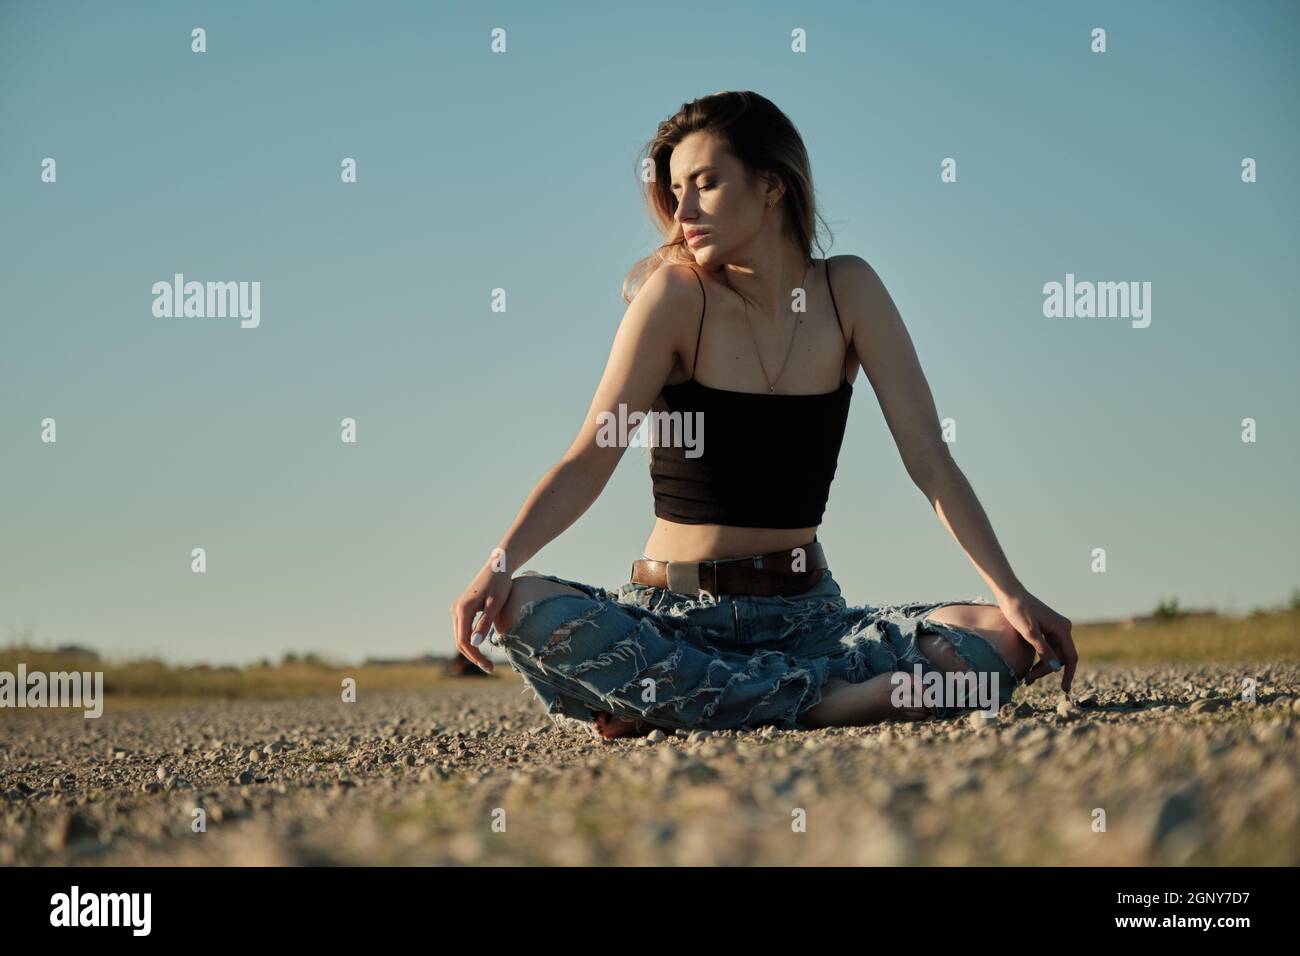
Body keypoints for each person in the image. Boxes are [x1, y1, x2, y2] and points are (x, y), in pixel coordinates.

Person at [450, 91, 1076, 739]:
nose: (683, 211)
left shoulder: (849, 290)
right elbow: (588, 460)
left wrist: (1011, 591)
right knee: (524, 606)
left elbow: (930, 459)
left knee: (999, 639)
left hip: (812, 622)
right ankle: (823, 704)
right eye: (676, 191)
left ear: (772, 184)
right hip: (675, 620)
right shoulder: (675, 297)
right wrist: (497, 565)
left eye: (706, 184)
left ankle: (690, 701)